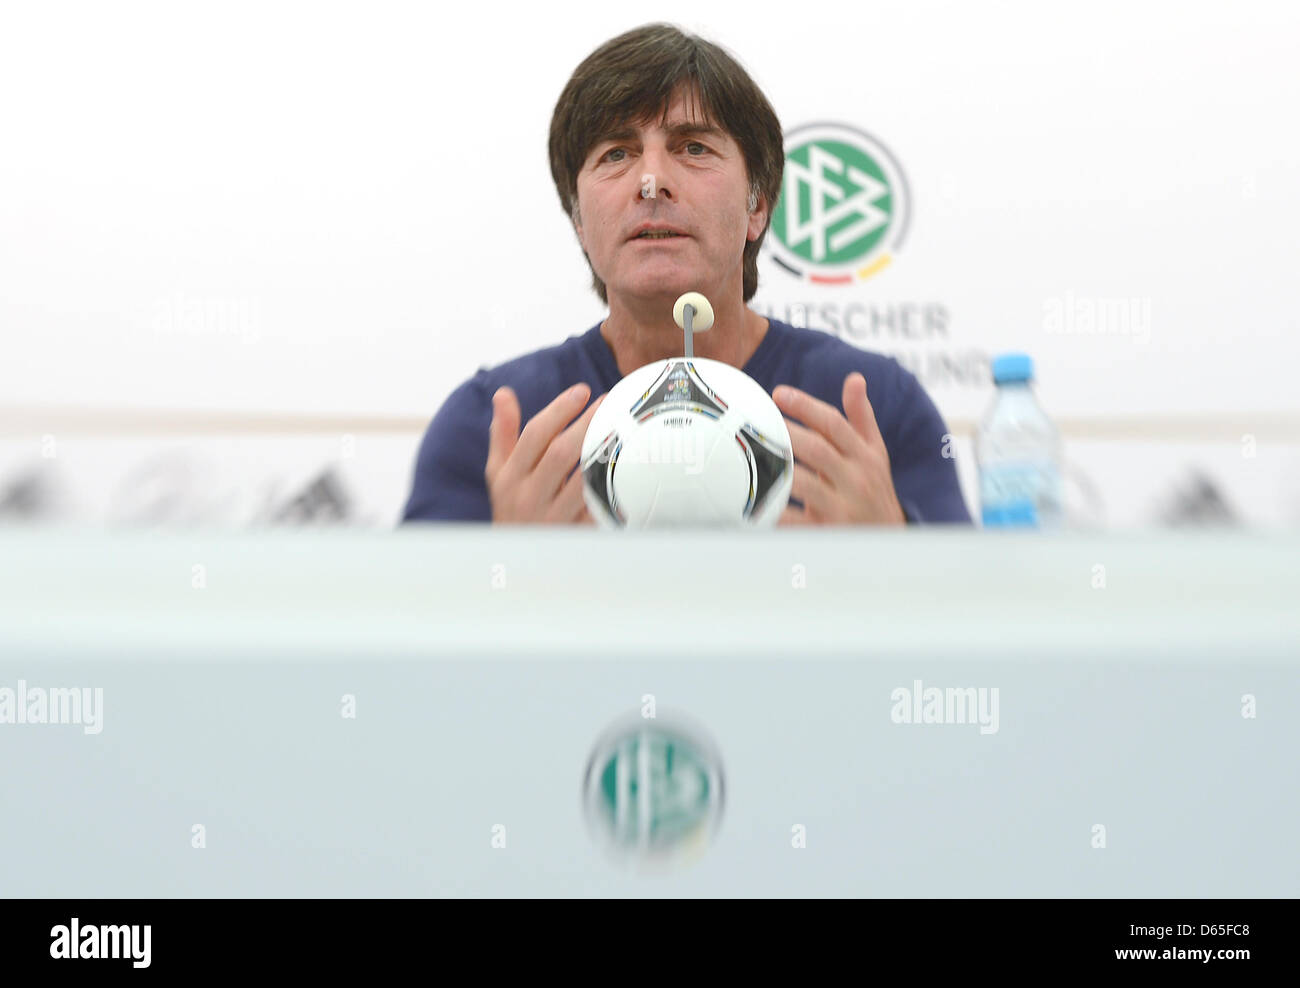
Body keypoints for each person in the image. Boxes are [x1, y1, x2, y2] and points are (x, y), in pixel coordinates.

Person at [402, 23, 970, 526]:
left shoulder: (872, 411)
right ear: (577, 219)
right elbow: (405, 635)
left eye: (692, 147)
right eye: (616, 154)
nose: (651, 182)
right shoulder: (494, 425)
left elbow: (972, 627)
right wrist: (499, 571)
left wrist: (898, 556)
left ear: (758, 206)